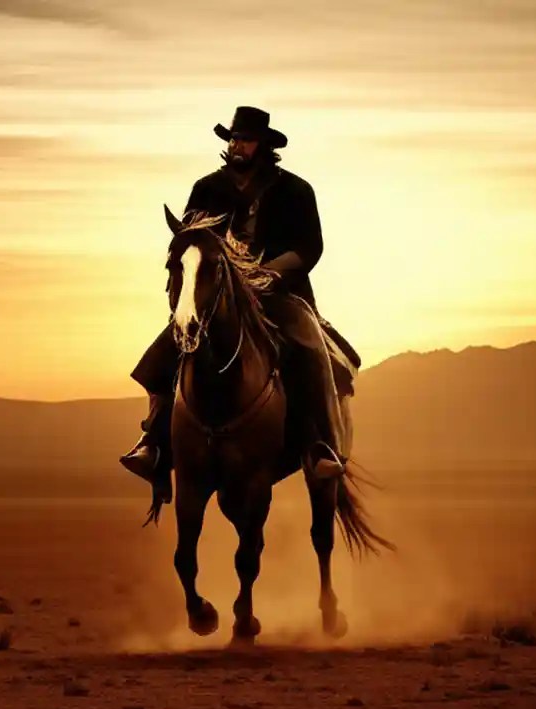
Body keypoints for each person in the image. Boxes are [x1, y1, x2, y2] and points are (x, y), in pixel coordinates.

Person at [120, 106, 360, 502]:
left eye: (244, 139)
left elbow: (310, 246)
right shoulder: (206, 189)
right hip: (217, 296)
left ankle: (322, 446)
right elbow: (188, 240)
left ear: (263, 146)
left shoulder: (295, 191)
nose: (236, 145)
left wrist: (272, 272)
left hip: (281, 294)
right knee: (169, 348)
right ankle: (155, 443)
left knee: (311, 350)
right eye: (233, 138)